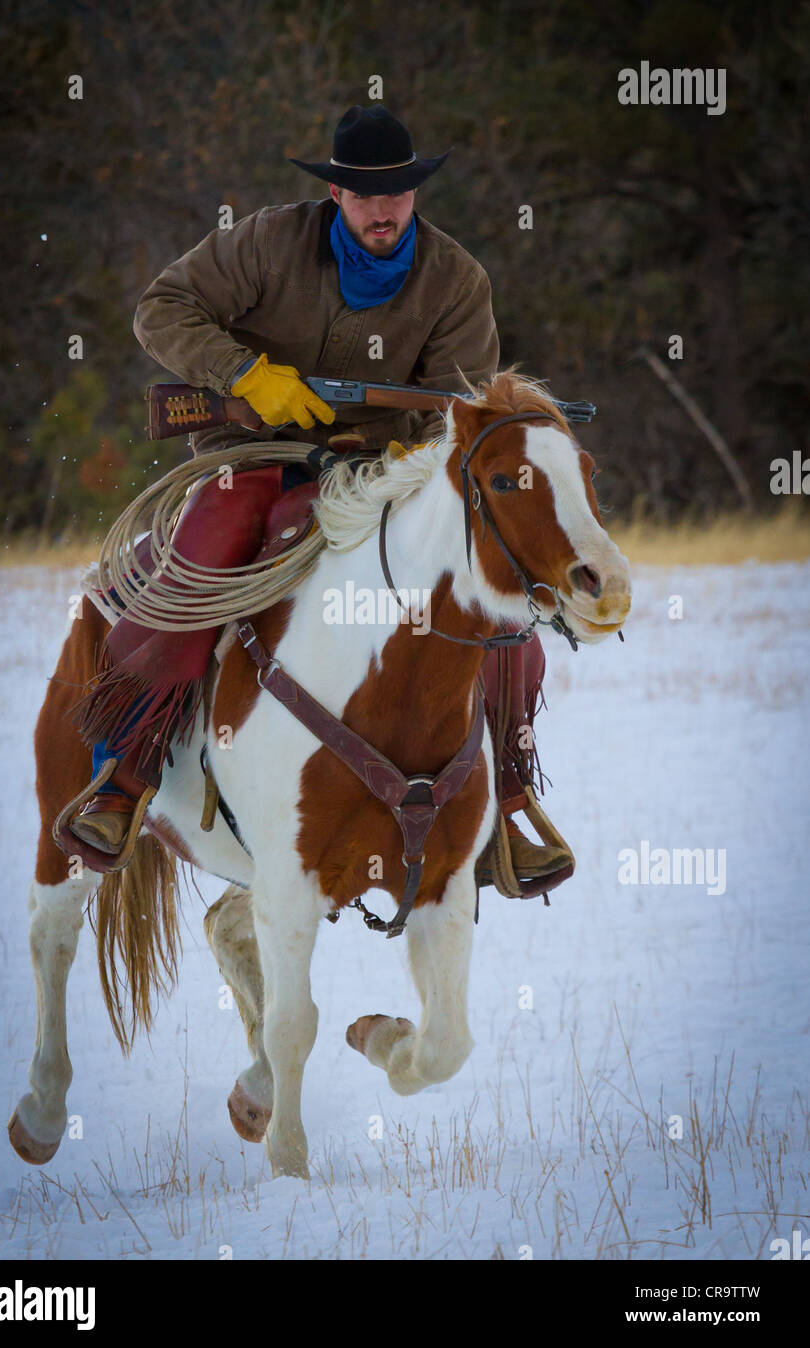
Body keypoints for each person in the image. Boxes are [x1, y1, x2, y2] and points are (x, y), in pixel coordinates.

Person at [68, 104, 572, 890]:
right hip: (255, 452)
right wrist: (244, 376)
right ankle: (124, 775)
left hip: (388, 473)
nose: (383, 210)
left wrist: (414, 452)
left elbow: (461, 414)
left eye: (398, 193)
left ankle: (504, 801)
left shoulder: (457, 281)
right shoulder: (267, 241)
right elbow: (161, 309)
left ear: (416, 196)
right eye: (365, 194)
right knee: (207, 546)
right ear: (334, 194)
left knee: (504, 606)